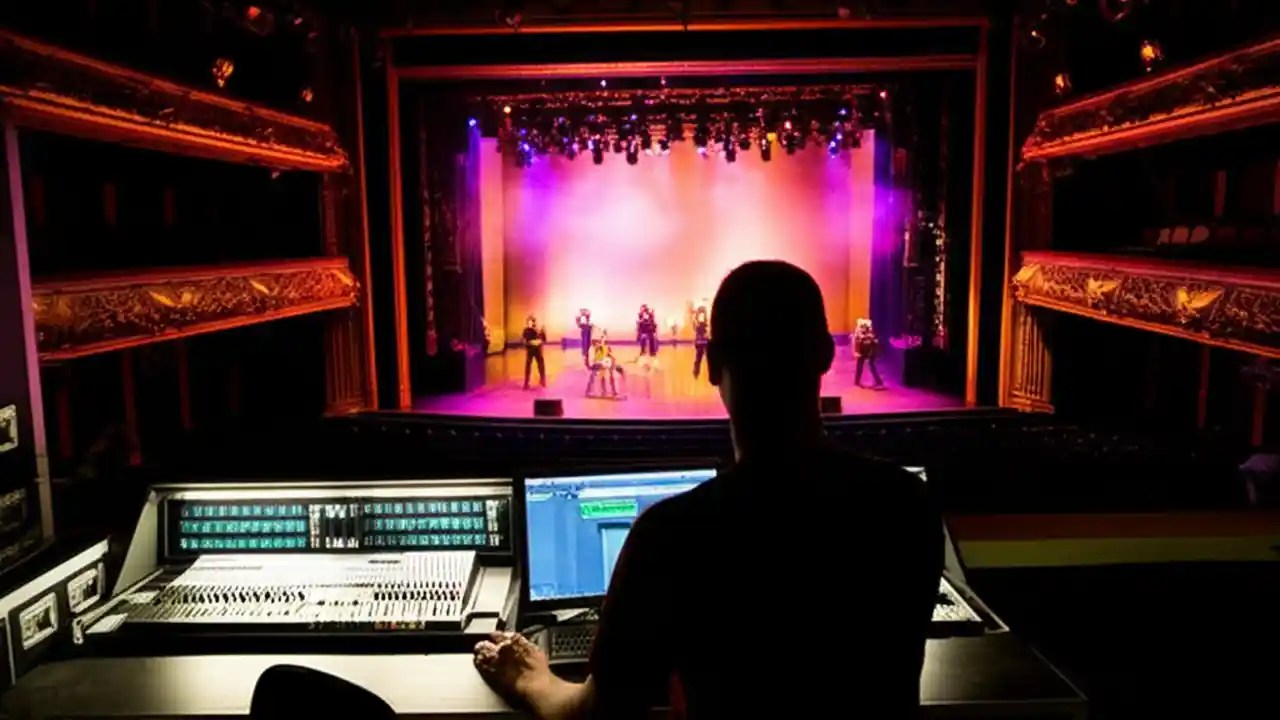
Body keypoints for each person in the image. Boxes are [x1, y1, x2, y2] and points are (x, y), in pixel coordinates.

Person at [475, 261, 943, 719]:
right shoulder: (908, 505)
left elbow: (596, 713)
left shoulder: (671, 536)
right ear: (825, 353)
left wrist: (530, 677)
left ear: (713, 365)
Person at [853, 317, 885, 389]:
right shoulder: (859, 334)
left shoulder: (870, 333)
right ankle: (857, 381)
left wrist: (872, 340)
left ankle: (878, 381)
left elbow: (874, 340)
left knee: (871, 366)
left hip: (870, 351)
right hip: (862, 351)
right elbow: (857, 342)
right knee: (860, 366)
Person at [522, 315, 547, 390]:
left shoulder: (539, 330)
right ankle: (526, 383)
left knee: (540, 364)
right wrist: (529, 343)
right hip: (530, 350)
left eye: (531, 322)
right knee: (528, 365)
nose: (529, 323)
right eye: (528, 322)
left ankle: (543, 380)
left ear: (534, 322)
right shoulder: (526, 330)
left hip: (537, 350)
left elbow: (544, 339)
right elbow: (524, 340)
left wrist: (539, 341)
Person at [691, 299, 710, 379]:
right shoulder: (700, 321)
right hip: (702, 341)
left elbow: (695, 327)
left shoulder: (698, 321)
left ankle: (696, 372)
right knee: (701, 358)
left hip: (701, 341)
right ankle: (697, 372)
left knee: (699, 358)